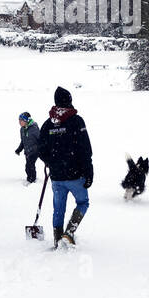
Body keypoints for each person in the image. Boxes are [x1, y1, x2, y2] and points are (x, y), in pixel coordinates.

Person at [38, 86, 93, 247]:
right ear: (69, 101)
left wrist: (50, 161)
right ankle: (69, 233)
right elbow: (85, 148)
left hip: (56, 176)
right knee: (83, 202)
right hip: (75, 175)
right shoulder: (76, 121)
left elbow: (40, 149)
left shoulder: (48, 124)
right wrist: (88, 170)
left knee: (58, 208)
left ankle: (57, 238)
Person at [14, 111, 41, 184]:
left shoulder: (34, 128)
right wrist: (19, 149)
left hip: (35, 151)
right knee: (28, 167)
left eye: (21, 120)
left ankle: (32, 180)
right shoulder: (22, 129)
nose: (19, 122)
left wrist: (43, 151)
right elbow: (23, 141)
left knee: (30, 165)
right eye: (19, 120)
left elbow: (40, 140)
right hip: (27, 151)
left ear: (26, 120)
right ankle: (30, 178)